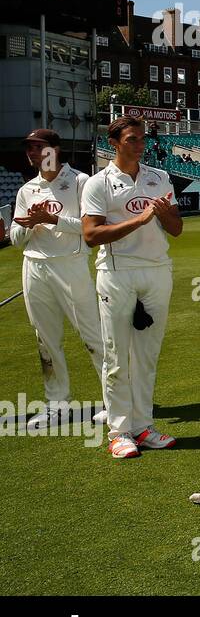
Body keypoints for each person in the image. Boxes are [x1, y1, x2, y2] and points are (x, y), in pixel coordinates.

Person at [81, 116, 184, 459]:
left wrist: (165, 214)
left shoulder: (160, 177)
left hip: (157, 271)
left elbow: (176, 228)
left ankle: (143, 426)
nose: (140, 145)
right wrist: (138, 220)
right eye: (132, 139)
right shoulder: (98, 183)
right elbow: (91, 235)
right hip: (117, 271)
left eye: (142, 139)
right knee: (116, 356)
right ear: (114, 142)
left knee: (147, 355)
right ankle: (119, 431)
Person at [9, 129, 108, 429]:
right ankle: (57, 405)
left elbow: (91, 229)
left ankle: (113, 400)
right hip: (35, 267)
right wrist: (30, 224)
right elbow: (16, 239)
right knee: (46, 340)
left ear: (55, 150)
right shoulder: (27, 190)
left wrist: (52, 220)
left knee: (93, 337)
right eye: (29, 148)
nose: (32, 153)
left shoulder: (80, 182)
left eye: (38, 147)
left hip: (71, 265)